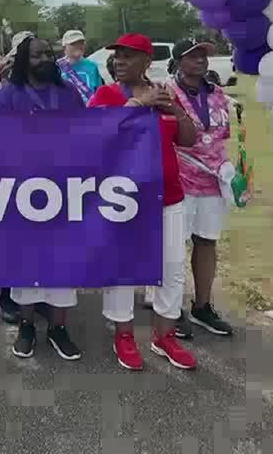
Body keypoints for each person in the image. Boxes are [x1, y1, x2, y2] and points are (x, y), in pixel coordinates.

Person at [88, 33, 199, 371]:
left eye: (128, 56)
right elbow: (94, 136)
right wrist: (137, 104)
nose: (119, 61)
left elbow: (189, 139)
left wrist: (174, 109)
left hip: (168, 195)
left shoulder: (165, 93)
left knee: (172, 268)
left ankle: (165, 336)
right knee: (123, 267)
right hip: (124, 198)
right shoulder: (106, 95)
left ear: (147, 61)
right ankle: (123, 335)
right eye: (117, 56)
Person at [0, 35, 86, 360]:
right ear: (23, 60)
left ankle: (59, 327)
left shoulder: (67, 92)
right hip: (24, 190)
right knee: (26, 261)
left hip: (65, 189)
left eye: (47, 53)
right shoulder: (10, 94)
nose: (44, 59)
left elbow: (87, 133)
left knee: (63, 261)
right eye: (36, 55)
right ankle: (27, 326)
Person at [166, 39, 236, 338]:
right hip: (179, 178)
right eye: (192, 56)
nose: (200, 60)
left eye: (203, 55)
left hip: (213, 179)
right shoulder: (166, 91)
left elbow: (220, 136)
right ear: (177, 61)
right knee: (174, 247)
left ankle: (202, 306)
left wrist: (228, 169)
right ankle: (170, 309)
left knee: (207, 241)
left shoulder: (217, 93)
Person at [57, 30, 102, 103]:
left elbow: (99, 94)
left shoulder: (92, 66)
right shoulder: (56, 67)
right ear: (64, 47)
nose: (78, 46)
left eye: (81, 43)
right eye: (73, 43)